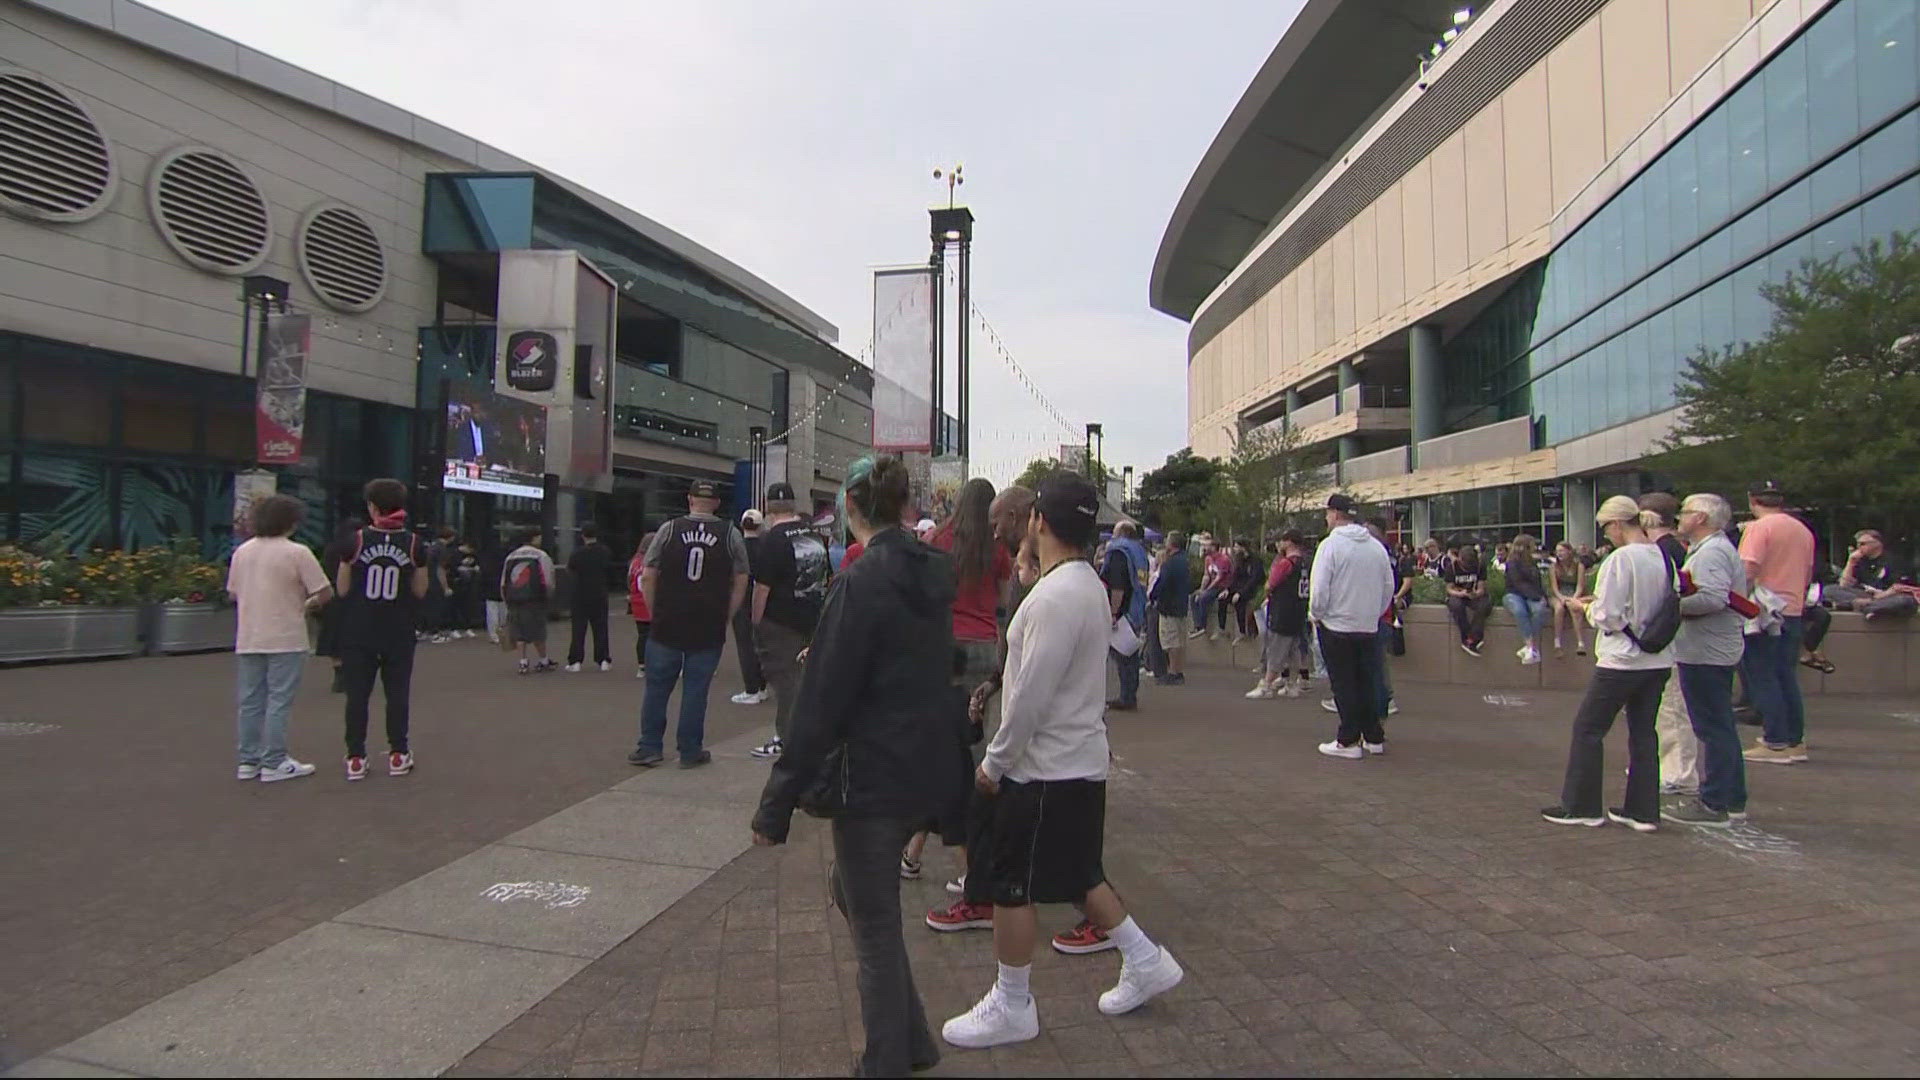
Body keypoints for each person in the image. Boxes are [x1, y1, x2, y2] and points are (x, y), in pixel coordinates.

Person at [941, 473, 1183, 1051]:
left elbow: (1029, 696)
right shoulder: (1084, 586)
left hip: (1044, 768)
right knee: (1081, 875)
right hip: (1079, 761)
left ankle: (1013, 1002)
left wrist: (994, 764)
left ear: (1038, 521)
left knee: (1011, 886)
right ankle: (1143, 958)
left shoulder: (1053, 597)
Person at [752, 455, 962, 1079]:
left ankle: (886, 1060)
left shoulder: (861, 580)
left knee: (873, 925)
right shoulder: (932, 571)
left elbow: (821, 701)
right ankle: (911, 1040)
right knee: (854, 893)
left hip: (872, 772)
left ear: (849, 506)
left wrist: (776, 803)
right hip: (921, 763)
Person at [1541, 497, 1676, 831]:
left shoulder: (1620, 559)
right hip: (1657, 658)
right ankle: (1643, 810)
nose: (1606, 535)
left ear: (1616, 524)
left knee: (1588, 729)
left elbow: (1607, 615)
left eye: (1605, 528)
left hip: (1621, 659)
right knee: (1644, 732)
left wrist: (1585, 608)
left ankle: (1581, 806)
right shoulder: (1663, 556)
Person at [906, 478, 1013, 883]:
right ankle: (977, 839)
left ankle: (921, 847)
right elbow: (1005, 602)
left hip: (945, 646)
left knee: (944, 748)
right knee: (977, 747)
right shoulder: (997, 548)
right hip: (985, 646)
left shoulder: (937, 539)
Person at [630, 479, 750, 769]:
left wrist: (654, 609)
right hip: (708, 623)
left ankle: (649, 747)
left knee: (657, 687)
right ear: (717, 504)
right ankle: (689, 749)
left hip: (667, 621)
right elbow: (741, 577)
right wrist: (727, 613)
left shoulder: (669, 530)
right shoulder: (729, 534)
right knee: (696, 689)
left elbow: (649, 573)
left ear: (690, 499)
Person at [226, 494, 331, 783]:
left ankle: (248, 760)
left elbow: (233, 593)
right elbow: (324, 592)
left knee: (250, 701)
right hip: (286, 635)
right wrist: (305, 605)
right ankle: (274, 760)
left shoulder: (242, 552)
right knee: (279, 700)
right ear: (291, 522)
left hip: (249, 635)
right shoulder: (298, 552)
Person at [1662, 493, 1750, 828]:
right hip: (1711, 648)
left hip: (1706, 651)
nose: (1679, 518)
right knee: (1719, 725)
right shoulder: (1712, 549)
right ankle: (1731, 798)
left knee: (1712, 727)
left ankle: (1715, 802)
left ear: (1700, 517)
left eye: (1685, 512)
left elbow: (1712, 599)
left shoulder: (1712, 552)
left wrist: (1670, 606)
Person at [336, 478, 431, 781]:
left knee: (357, 696)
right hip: (398, 629)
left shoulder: (354, 541)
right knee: (397, 693)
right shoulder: (414, 543)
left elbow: (342, 588)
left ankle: (355, 757)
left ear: (372, 507)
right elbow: (420, 590)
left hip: (359, 629)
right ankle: (398, 754)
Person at [748, 483, 831, 760]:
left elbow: (762, 588)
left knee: (786, 682)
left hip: (781, 622)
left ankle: (787, 739)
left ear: (767, 506)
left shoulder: (771, 539)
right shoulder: (814, 534)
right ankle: (810, 734)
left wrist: (756, 621)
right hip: (813, 617)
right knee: (808, 680)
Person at [1310, 495, 1396, 759]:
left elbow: (1320, 589)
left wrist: (1316, 614)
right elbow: (1388, 587)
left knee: (1344, 683)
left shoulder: (1329, 546)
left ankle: (1348, 740)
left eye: (1327, 514)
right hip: (1367, 625)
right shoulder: (1376, 547)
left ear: (1335, 514)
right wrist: (1373, 613)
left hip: (1336, 624)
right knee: (1366, 681)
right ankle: (1373, 736)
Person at [1739, 480, 1815, 766]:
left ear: (1752, 499)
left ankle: (1775, 740)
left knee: (1762, 675)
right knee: (1785, 676)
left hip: (1763, 610)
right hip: (1792, 608)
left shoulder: (1758, 528)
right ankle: (1794, 739)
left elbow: (1748, 569)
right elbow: (1808, 572)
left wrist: (1736, 601)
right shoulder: (1802, 530)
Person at [1639, 493, 1699, 795]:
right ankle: (1667, 766)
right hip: (1670, 638)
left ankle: (1679, 773)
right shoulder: (1669, 548)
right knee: (1665, 709)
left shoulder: (1665, 551)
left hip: (1670, 639)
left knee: (1673, 708)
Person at [1249, 530, 1308, 699]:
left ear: (1289, 542)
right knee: (1294, 649)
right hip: (1299, 610)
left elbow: (1270, 584)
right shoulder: (1304, 563)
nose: (1280, 544)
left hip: (1282, 610)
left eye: (1282, 540)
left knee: (1276, 648)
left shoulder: (1285, 563)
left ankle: (1266, 685)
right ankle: (1292, 684)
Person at [1103, 520, 1150, 712]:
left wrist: (1113, 612)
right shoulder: (1139, 553)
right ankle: (1129, 694)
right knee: (1130, 654)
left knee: (1121, 655)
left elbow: (1117, 585)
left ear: (1121, 533)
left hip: (1122, 611)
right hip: (1136, 608)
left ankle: (1126, 697)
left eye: (1114, 532)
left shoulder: (1118, 552)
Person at [1827, 529, 1918, 620]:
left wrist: (1879, 596)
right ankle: (1869, 607)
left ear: (1877, 544)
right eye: (1857, 544)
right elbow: (1844, 585)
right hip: (1865, 596)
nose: (1858, 547)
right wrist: (1850, 562)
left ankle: (1865, 607)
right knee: (1829, 589)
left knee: (1906, 600)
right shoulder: (1859, 560)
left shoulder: (1894, 561)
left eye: (1862, 544)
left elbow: (1900, 587)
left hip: (1887, 596)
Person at [316, 516, 362, 693]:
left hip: (333, 597)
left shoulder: (331, 549)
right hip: (355, 598)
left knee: (334, 636)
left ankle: (339, 672)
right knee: (354, 636)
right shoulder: (359, 549)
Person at [730, 509, 770, 707]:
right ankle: (761, 687)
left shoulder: (737, 549)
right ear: (760, 526)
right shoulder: (767, 548)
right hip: (764, 601)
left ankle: (751, 689)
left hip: (742, 601)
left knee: (745, 646)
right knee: (761, 645)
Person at [501, 529, 556, 674]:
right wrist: (549, 595)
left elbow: (504, 581)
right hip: (534, 598)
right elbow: (548, 579)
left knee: (519, 631)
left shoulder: (511, 556)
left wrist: (506, 599)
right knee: (538, 630)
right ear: (534, 538)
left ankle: (523, 661)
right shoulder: (540, 555)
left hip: (514, 598)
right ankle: (543, 660)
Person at [565, 523, 613, 672]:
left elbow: (570, 571)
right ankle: (603, 659)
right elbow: (609, 571)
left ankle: (575, 661)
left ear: (583, 535)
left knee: (578, 629)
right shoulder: (605, 552)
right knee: (601, 628)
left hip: (580, 595)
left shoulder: (577, 554)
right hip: (599, 594)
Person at [1148, 531, 1192, 685]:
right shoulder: (1184, 561)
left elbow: (1163, 582)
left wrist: (1153, 596)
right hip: (1181, 605)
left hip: (1168, 606)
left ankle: (1173, 672)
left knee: (1170, 641)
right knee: (1179, 641)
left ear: (1172, 544)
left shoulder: (1170, 563)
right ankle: (1178, 670)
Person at [1503, 534, 1550, 665]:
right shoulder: (1512, 563)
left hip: (1532, 594)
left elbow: (1538, 583)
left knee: (1540, 611)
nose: (1535, 547)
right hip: (1514, 594)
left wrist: (1543, 597)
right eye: (1533, 545)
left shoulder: (1532, 562)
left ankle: (1529, 646)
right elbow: (1518, 583)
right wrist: (1536, 596)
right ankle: (1530, 646)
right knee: (1520, 611)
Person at [1549, 541, 1594, 657]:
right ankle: (1557, 644)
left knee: (1574, 608)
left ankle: (1580, 643)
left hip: (1574, 593)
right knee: (1559, 609)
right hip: (1558, 594)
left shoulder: (1579, 566)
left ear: (1569, 552)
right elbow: (1554, 587)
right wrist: (1562, 598)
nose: (1559, 553)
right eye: (1557, 551)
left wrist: (1574, 598)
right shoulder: (1553, 567)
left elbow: (1580, 586)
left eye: (1561, 551)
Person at [1445, 547, 1492, 656]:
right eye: (1465, 565)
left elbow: (1481, 588)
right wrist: (1460, 593)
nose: (1468, 568)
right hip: (1457, 594)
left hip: (1473, 594)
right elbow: (1449, 588)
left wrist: (1476, 593)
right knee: (1457, 606)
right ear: (1460, 559)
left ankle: (1474, 637)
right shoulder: (1452, 567)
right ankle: (1467, 637)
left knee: (1484, 605)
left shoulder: (1479, 567)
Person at [627, 533, 653, 680]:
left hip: (637, 602)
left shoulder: (635, 562)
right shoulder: (654, 561)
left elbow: (629, 580)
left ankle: (642, 665)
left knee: (642, 635)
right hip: (651, 601)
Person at [1225, 540, 1259, 642]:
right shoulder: (1239, 561)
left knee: (1240, 603)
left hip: (1249, 589)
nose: (1234, 549)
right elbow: (1234, 578)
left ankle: (1243, 631)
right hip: (1238, 588)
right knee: (1222, 599)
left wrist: (1240, 593)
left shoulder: (1254, 561)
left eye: (1236, 547)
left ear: (1243, 548)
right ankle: (1223, 629)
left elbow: (1254, 579)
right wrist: (1228, 590)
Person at [479, 535, 507, 645]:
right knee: (503, 611)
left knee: (492, 611)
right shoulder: (504, 554)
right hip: (502, 584)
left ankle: (494, 635)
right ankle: (502, 632)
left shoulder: (485, 556)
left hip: (489, 585)